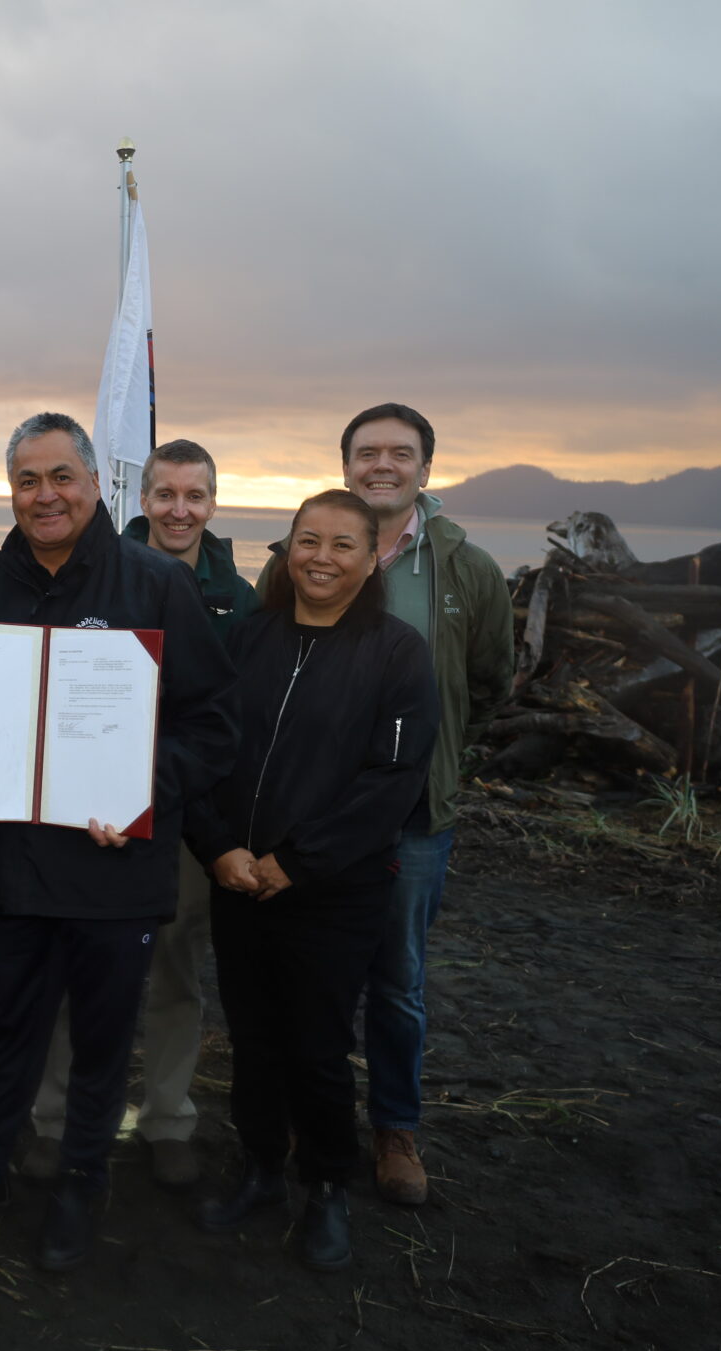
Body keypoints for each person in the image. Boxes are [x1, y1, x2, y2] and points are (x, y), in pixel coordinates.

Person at [0, 412, 236, 1273]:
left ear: (94, 485)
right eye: (26, 480)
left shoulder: (157, 585)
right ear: (9, 490)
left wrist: (138, 790)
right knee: (7, 1021)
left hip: (116, 863)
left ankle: (83, 1181)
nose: (43, 495)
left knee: (101, 1033)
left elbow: (212, 724)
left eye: (60, 477)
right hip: (13, 859)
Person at [260, 404, 515, 1205]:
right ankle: (308, 1111)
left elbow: (489, 681)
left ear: (426, 469)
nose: (382, 465)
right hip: (307, 816)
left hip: (411, 816)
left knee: (398, 980)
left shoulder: (466, 570)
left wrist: (431, 760)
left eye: (399, 454)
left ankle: (395, 1128)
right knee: (305, 973)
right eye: (366, 452)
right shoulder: (294, 559)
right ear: (344, 465)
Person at [191, 489, 438, 1271]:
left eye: (341, 544)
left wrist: (297, 861)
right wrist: (220, 848)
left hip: (332, 891)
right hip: (237, 880)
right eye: (307, 540)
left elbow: (391, 780)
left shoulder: (399, 653)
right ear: (286, 550)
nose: (321, 557)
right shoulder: (250, 638)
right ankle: (262, 1167)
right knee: (253, 1038)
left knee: (318, 1045)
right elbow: (207, 751)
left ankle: (327, 1184)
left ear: (372, 560)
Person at [25, 438, 258, 1188]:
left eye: (195, 496)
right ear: (139, 499)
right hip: (81, 810)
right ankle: (52, 1116)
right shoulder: (101, 572)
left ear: (214, 503)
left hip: (190, 814)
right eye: (165, 494)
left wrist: (213, 827)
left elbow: (229, 720)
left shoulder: (242, 597)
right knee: (72, 969)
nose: (179, 510)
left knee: (175, 970)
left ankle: (167, 1117)